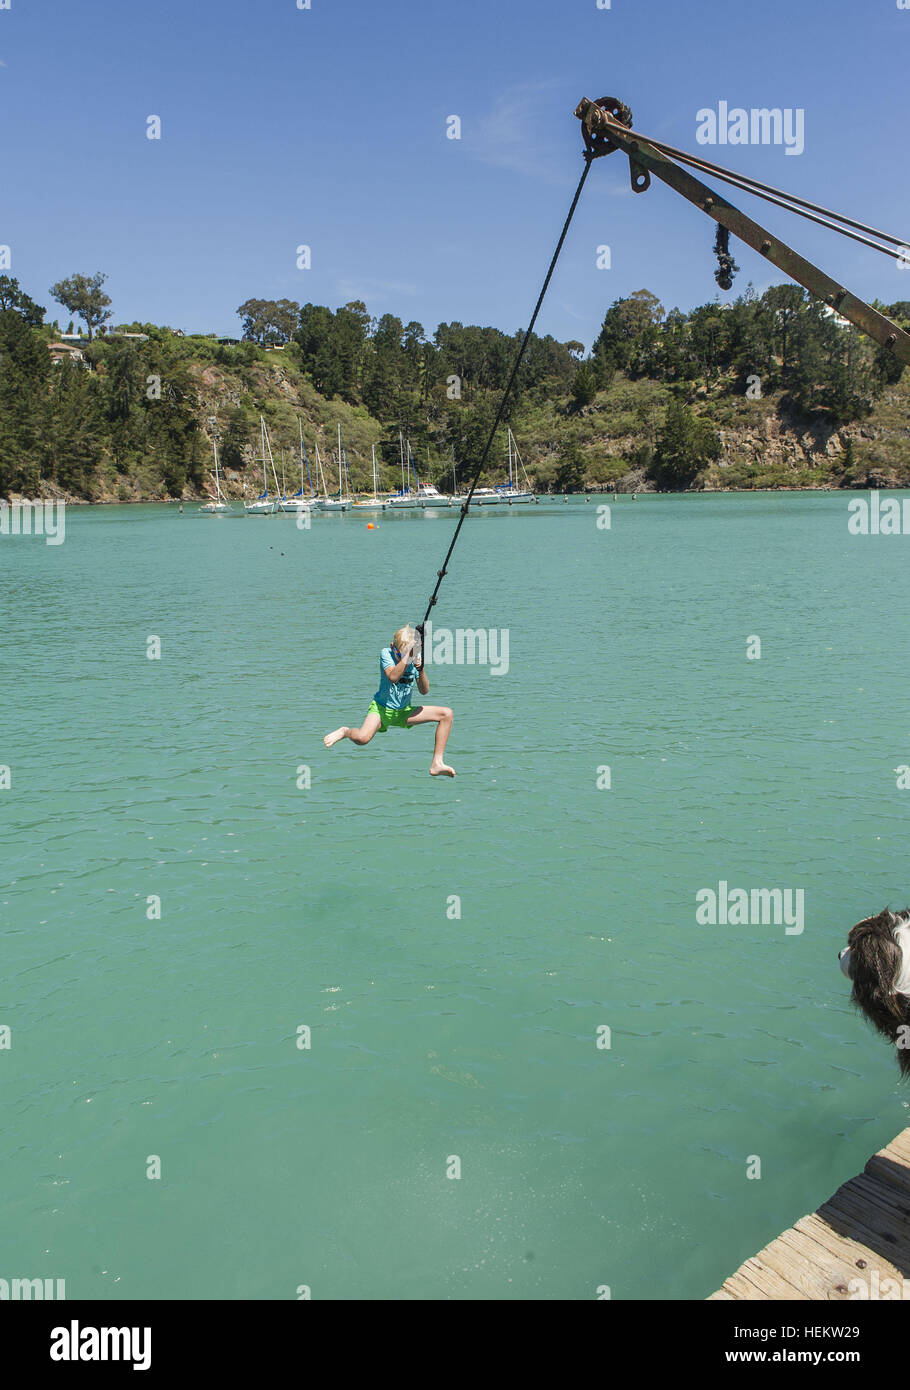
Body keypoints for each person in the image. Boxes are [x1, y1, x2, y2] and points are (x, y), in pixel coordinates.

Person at [324, 624, 455, 776]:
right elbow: (393, 677)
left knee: (447, 714)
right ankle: (345, 731)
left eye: (409, 653)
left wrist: (421, 669)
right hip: (381, 709)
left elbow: (424, 691)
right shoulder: (386, 654)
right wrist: (407, 657)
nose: (405, 657)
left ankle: (437, 763)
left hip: (404, 712)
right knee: (362, 739)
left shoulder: (415, 658)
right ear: (393, 648)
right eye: (401, 654)